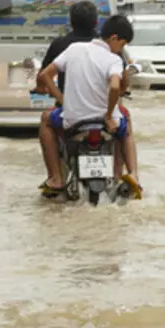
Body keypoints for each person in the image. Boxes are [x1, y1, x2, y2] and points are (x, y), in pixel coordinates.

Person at [36, 14, 141, 199]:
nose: (120, 49)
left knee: (46, 119)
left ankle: (55, 178)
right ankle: (133, 175)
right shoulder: (113, 60)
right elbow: (116, 86)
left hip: (72, 121)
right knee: (127, 125)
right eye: (122, 44)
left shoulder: (74, 49)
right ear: (114, 38)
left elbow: (45, 75)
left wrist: (61, 99)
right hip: (105, 122)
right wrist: (109, 114)